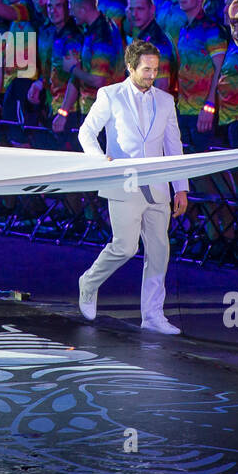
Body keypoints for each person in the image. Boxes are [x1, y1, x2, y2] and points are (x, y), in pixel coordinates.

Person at [76, 41, 188, 335]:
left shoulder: (165, 100)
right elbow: (86, 132)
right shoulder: (110, 95)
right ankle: (89, 282)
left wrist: (181, 188)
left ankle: (152, 316)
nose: (152, 74)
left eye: (155, 69)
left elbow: (174, 146)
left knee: (159, 250)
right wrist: (100, 160)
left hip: (158, 186)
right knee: (125, 247)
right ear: (130, 67)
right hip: (122, 181)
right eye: (146, 69)